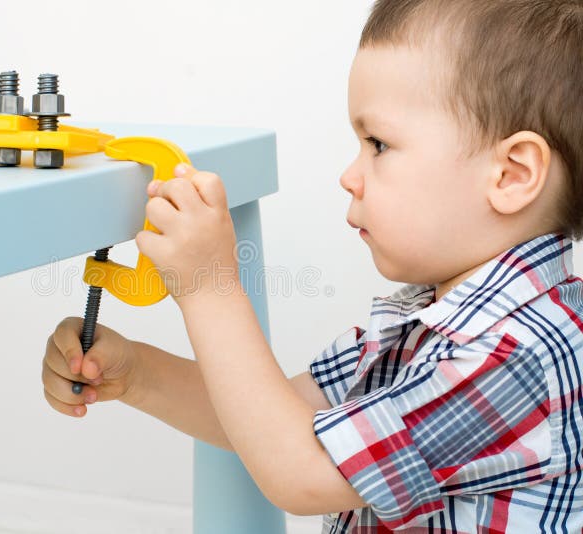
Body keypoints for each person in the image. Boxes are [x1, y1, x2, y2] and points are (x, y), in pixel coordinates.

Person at [41, 0, 583, 530]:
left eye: (378, 143)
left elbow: (301, 469)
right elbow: (268, 417)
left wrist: (211, 288)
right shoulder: (424, 323)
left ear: (512, 175)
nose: (350, 175)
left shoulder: (518, 358)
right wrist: (138, 374)